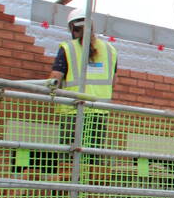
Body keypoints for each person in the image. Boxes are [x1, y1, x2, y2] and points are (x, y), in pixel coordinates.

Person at [44, 12, 119, 181]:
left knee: (69, 157)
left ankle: (67, 196)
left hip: (72, 111)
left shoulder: (68, 48)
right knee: (93, 158)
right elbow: (113, 81)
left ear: (72, 28)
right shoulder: (110, 50)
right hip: (99, 112)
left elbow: (55, 79)